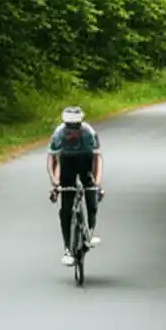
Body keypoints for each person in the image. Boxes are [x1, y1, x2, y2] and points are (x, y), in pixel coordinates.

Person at [47, 106, 103, 266]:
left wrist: (97, 183)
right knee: (65, 210)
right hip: (66, 166)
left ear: (81, 122)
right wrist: (55, 183)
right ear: (65, 124)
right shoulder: (58, 134)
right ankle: (67, 249)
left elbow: (97, 158)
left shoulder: (89, 133)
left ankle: (90, 232)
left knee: (92, 201)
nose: (73, 130)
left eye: (76, 125)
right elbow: (52, 159)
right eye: (69, 126)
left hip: (85, 163)